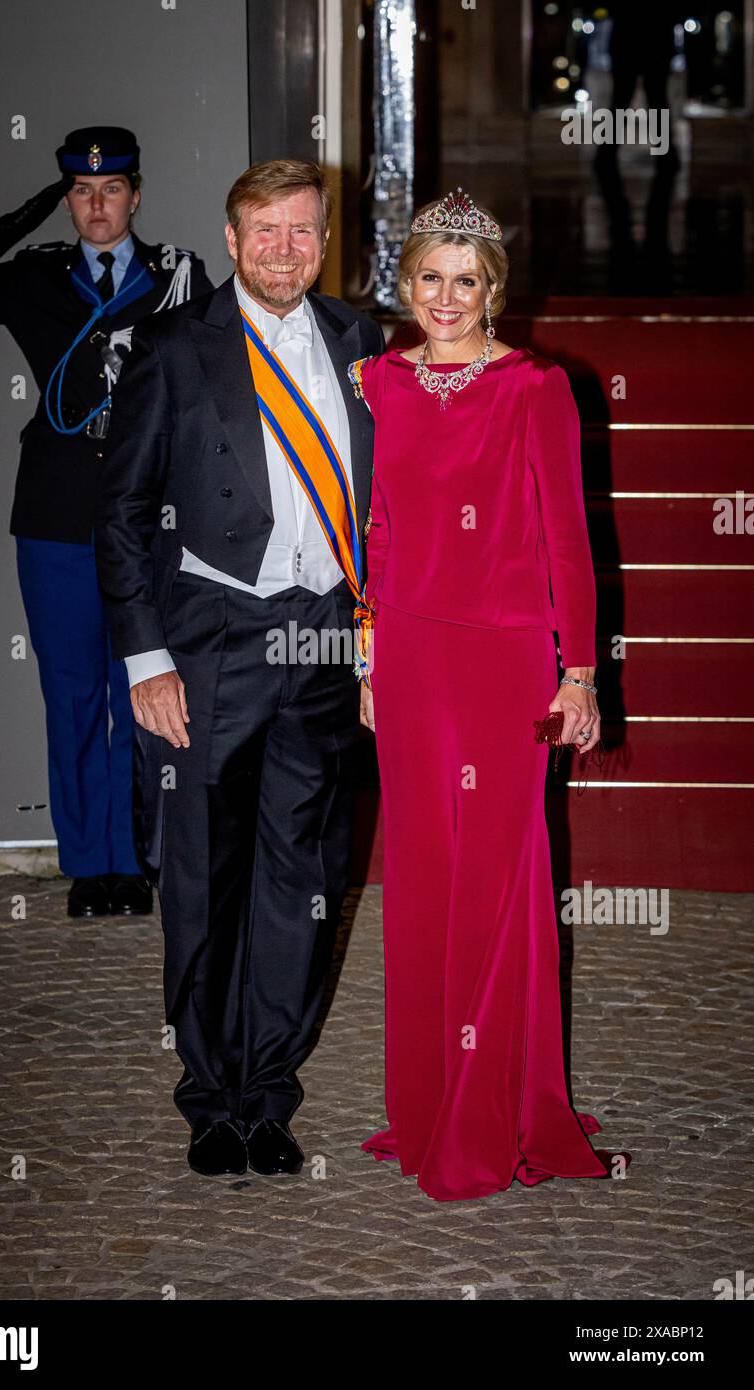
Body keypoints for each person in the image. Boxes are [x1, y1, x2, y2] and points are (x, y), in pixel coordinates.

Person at [94, 159, 385, 1177]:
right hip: (210, 639)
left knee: (300, 880)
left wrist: (379, 633)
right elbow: (123, 515)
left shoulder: (361, 343)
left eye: (301, 231)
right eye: (264, 231)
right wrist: (146, 658)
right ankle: (210, 1096)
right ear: (229, 239)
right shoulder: (176, 348)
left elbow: (386, 509)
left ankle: (269, 1089)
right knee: (205, 882)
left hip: (320, 645)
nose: (283, 249)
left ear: (324, 240)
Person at [349, 189, 628, 1201]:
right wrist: (372, 653)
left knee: (504, 875)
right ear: (408, 284)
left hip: (510, 657)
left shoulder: (536, 389)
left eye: (466, 281)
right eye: (431, 277)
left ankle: (500, 1103)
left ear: (493, 289)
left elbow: (569, 539)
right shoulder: (379, 379)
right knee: (423, 872)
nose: (448, 296)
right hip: (416, 658)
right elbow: (376, 525)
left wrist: (580, 669)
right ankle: (429, 1104)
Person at [0, 127, 212, 919]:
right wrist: (23, 215)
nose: (96, 204)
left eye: (111, 190)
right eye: (79, 190)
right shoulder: (37, 279)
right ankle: (90, 865)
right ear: (65, 197)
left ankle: (138, 859)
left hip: (147, 514)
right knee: (71, 692)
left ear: (136, 194)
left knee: (140, 687)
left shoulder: (177, 277)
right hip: (54, 511)